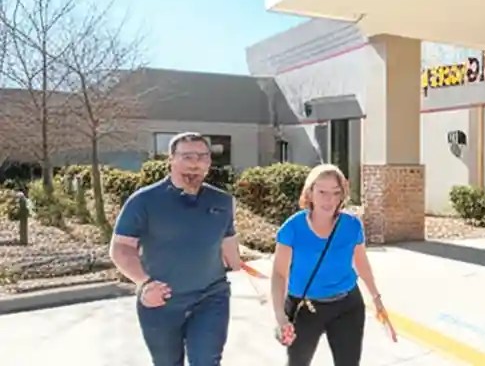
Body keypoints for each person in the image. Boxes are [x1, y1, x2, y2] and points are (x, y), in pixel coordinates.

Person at [111, 132, 243, 366]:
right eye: (187, 156)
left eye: (202, 156)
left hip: (211, 297)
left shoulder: (222, 201)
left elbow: (229, 243)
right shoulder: (144, 201)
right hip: (162, 299)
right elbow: (121, 247)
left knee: (207, 361)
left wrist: (240, 266)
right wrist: (144, 282)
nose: (195, 163)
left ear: (209, 162)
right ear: (170, 160)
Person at [270, 164, 395, 366]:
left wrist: (376, 298)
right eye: (322, 192)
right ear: (310, 192)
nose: (329, 200)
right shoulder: (292, 228)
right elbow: (279, 274)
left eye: (336, 193)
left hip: (347, 306)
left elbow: (361, 263)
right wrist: (280, 316)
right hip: (304, 308)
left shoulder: (351, 225)